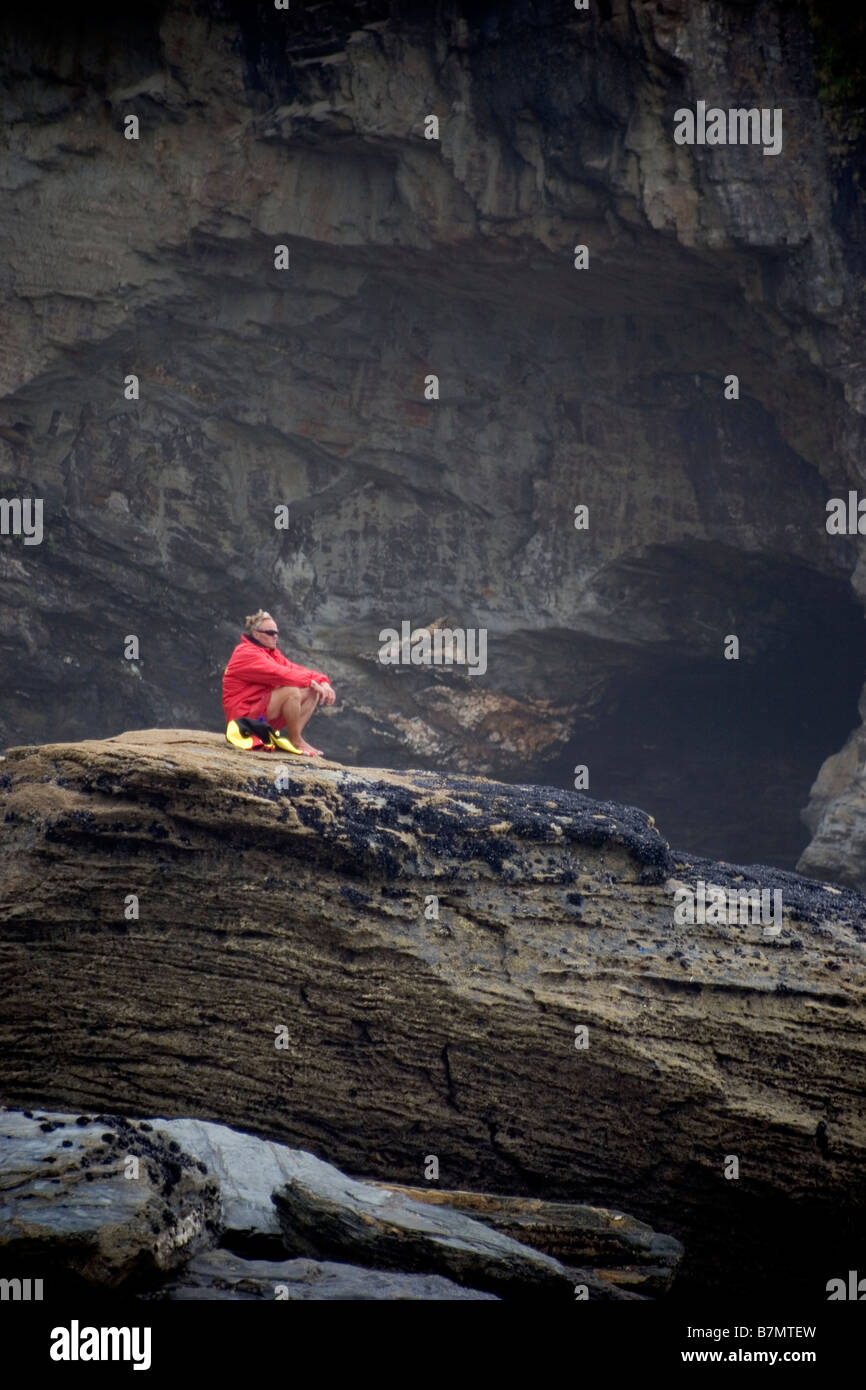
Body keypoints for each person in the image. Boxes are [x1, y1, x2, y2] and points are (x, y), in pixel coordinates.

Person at [222, 609, 335, 756]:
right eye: (270, 633)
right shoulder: (245, 653)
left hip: (260, 712)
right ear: (256, 634)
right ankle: (296, 740)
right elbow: (281, 674)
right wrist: (312, 682)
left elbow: (296, 669)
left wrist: (323, 681)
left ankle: (296, 738)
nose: (275, 636)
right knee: (291, 691)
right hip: (243, 719)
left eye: (276, 633)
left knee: (311, 691)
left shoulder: (271, 653)